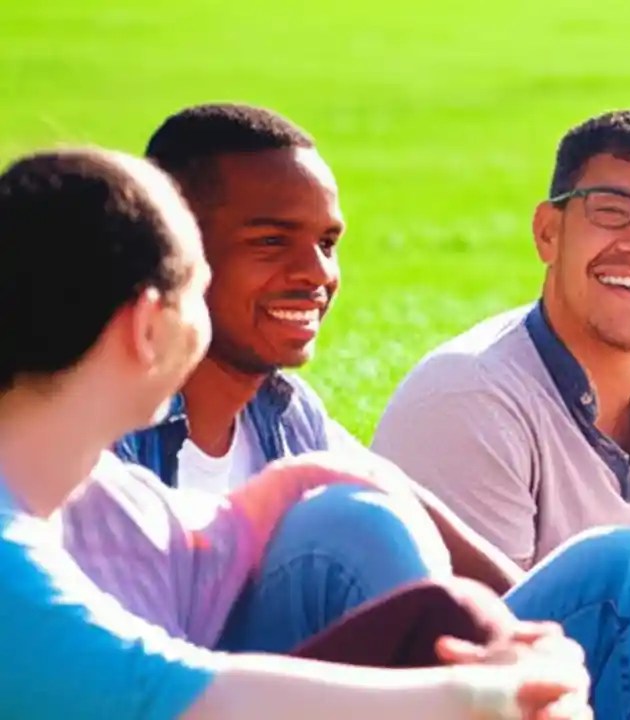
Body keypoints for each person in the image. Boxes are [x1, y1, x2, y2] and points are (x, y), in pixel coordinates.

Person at [0, 147, 592, 719]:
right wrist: (485, 696)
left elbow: (204, 543)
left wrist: (306, 482)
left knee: (454, 609)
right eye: (196, 292)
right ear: (148, 327)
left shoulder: (92, 487)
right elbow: (186, 698)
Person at [96, 103, 518, 653]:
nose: (317, 273)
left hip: (298, 684)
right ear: (174, 250)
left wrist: (540, 628)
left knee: (618, 566)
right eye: (271, 242)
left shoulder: (286, 409)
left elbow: (406, 503)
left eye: (327, 244)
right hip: (179, 685)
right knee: (354, 528)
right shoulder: (99, 423)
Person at [373, 108, 630, 650]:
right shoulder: (472, 398)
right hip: (501, 680)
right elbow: (491, 653)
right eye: (612, 211)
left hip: (622, 675)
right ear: (548, 232)